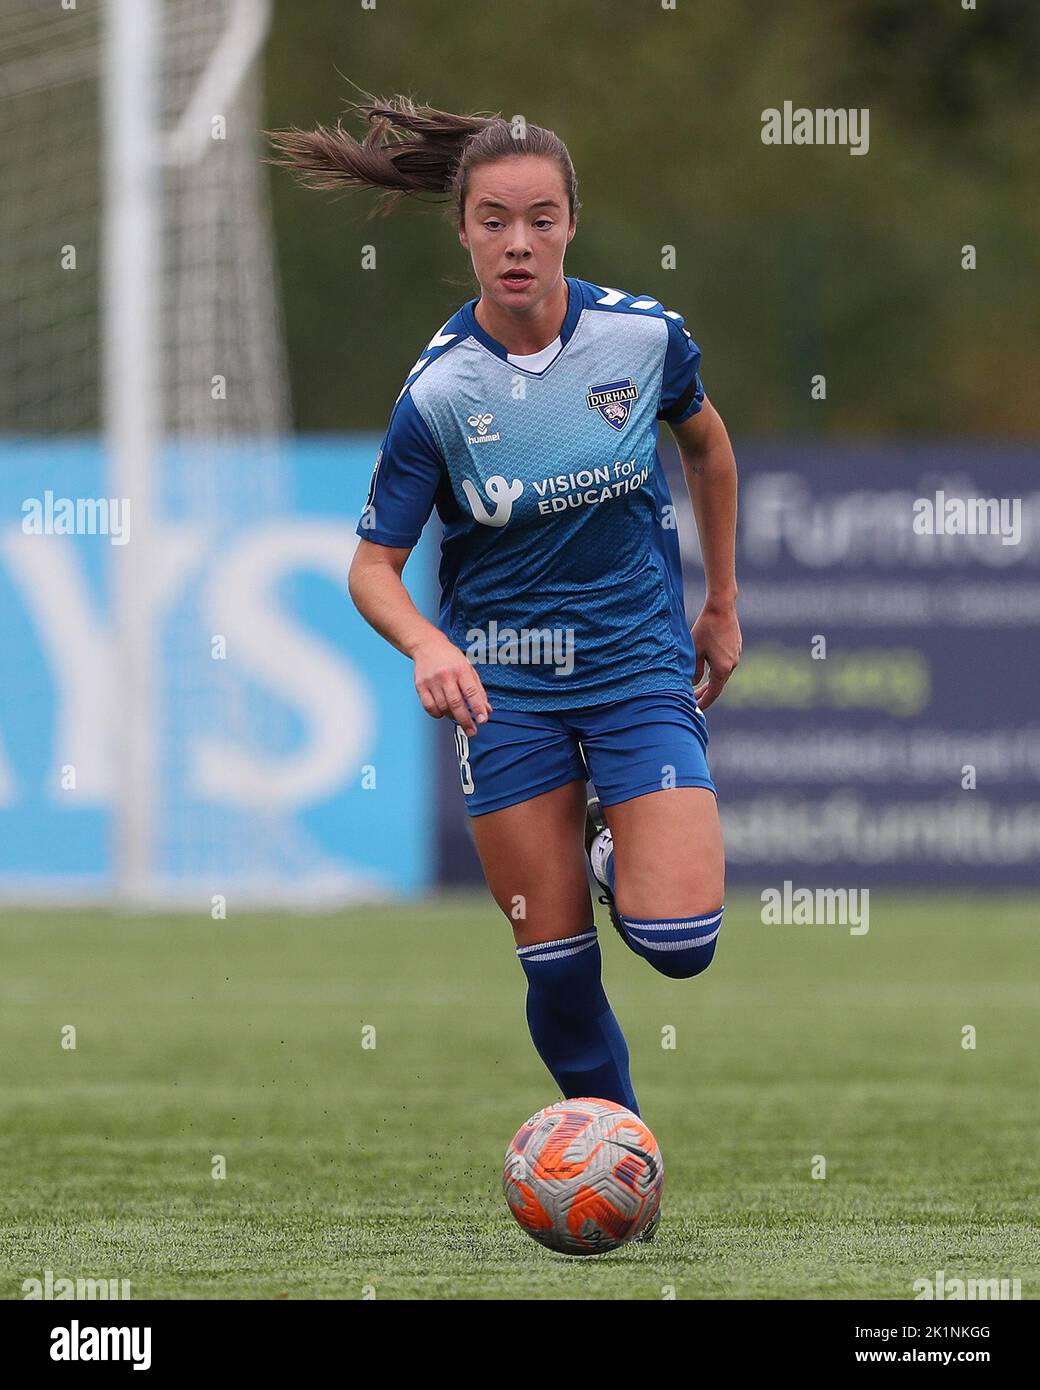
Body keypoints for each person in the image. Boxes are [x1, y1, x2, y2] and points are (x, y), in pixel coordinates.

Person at [268, 93, 741, 1129]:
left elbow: (707, 447)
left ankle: (612, 845)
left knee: (679, 944)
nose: (516, 243)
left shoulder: (642, 338)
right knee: (559, 968)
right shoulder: (439, 393)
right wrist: (427, 643)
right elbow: (371, 568)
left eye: (538, 219)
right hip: (506, 690)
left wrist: (721, 602)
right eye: (493, 221)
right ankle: (617, 1155)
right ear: (463, 231)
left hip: (635, 665)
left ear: (571, 223)